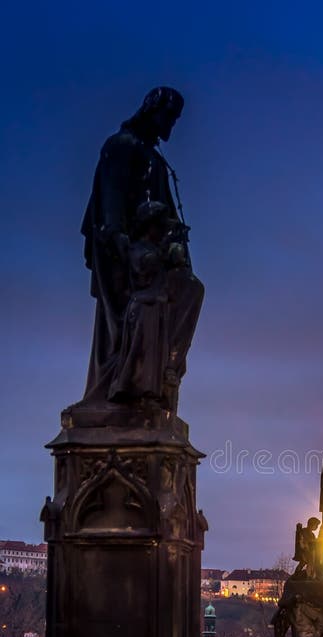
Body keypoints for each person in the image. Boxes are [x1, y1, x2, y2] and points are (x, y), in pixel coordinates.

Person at [81, 86, 202, 407]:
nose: (171, 124)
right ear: (152, 109)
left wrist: (174, 246)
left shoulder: (153, 157)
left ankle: (164, 372)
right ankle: (129, 383)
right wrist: (124, 245)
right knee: (135, 317)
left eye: (175, 118)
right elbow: (111, 206)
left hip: (155, 253)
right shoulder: (121, 146)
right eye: (168, 116)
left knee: (189, 290)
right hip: (127, 254)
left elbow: (165, 209)